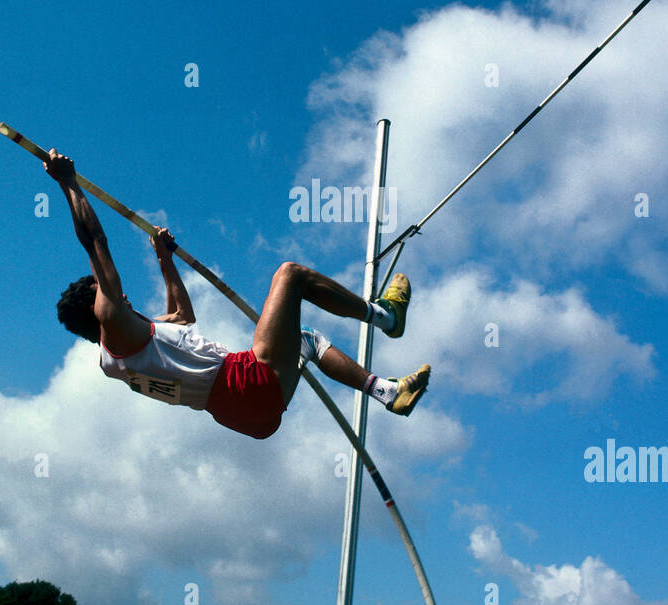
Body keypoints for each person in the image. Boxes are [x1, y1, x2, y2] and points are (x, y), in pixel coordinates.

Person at [44, 149, 431, 440]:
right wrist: (68, 183)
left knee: (307, 341)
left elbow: (182, 316)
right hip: (242, 382)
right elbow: (95, 241)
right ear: (97, 309)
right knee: (290, 275)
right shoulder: (114, 325)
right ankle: (385, 315)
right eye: (108, 295)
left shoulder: (127, 348)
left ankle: (387, 391)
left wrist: (165, 261)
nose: (122, 297)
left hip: (248, 417)